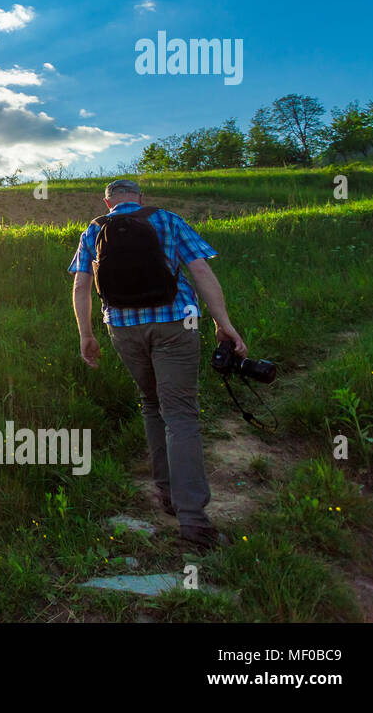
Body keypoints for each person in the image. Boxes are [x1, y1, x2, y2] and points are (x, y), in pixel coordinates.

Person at [68, 179, 247, 551]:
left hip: (122, 328)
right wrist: (223, 324)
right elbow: (200, 272)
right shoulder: (167, 219)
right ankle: (194, 522)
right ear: (140, 198)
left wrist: (86, 335)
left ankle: (166, 493)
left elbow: (82, 287)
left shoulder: (94, 228)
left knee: (152, 405)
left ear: (107, 201)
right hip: (175, 324)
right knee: (180, 414)